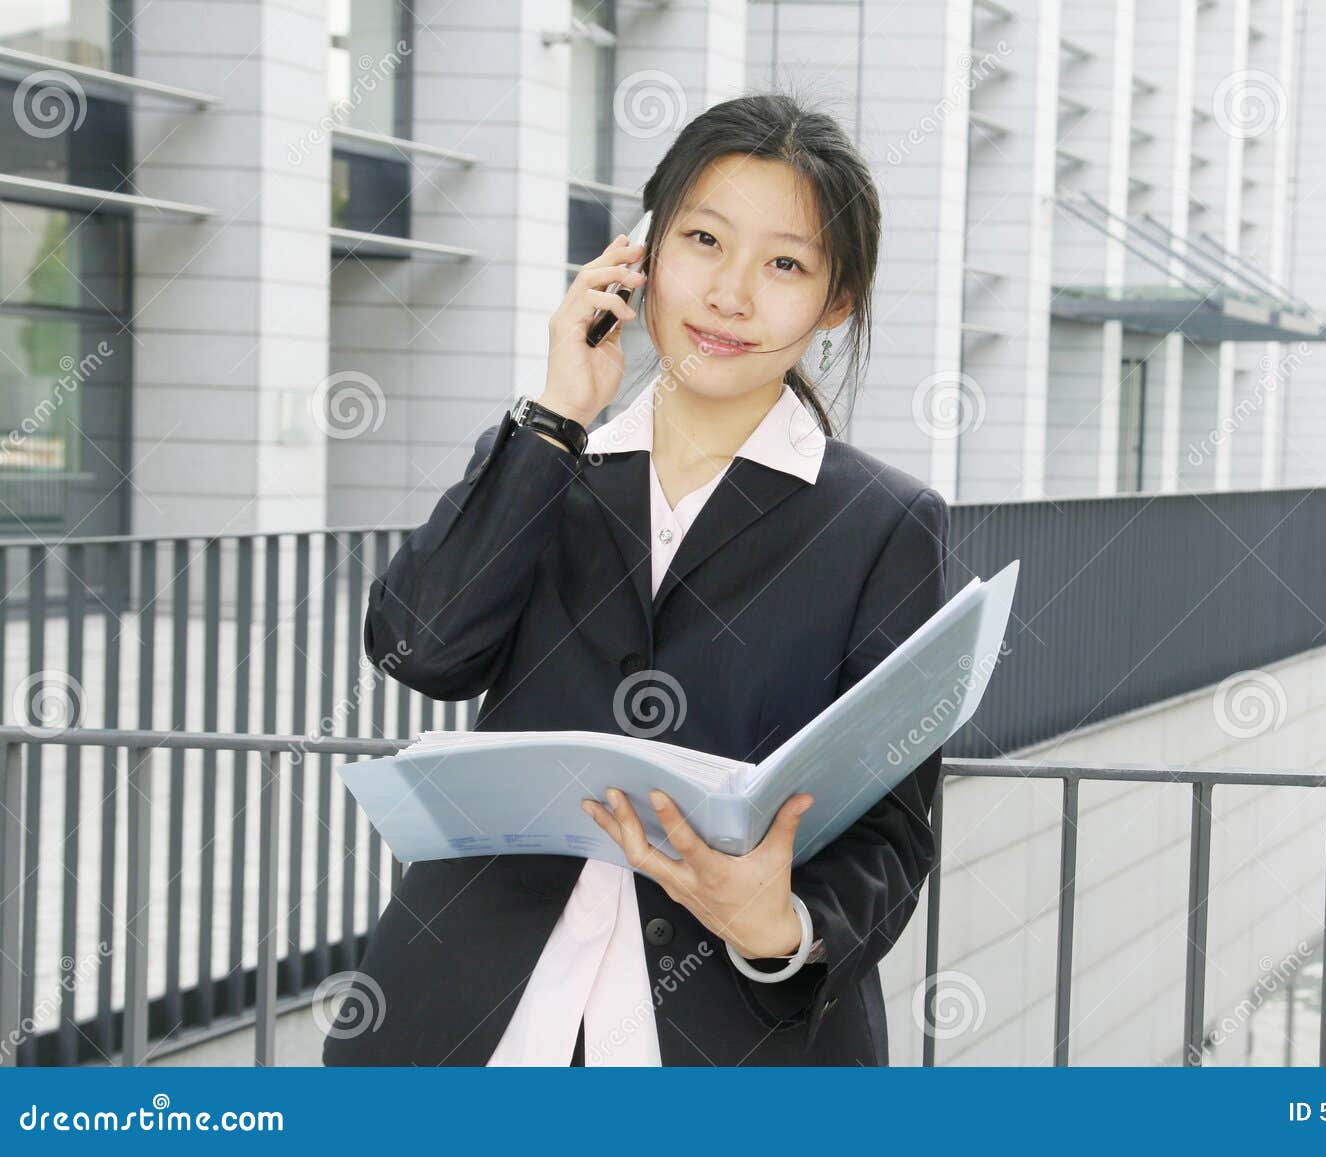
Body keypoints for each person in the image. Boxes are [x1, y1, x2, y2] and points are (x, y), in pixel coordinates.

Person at [321, 90, 950, 1067]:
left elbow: (893, 835)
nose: (730, 293)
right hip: (474, 1016)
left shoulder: (883, 521)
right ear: (642, 251)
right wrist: (552, 417)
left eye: (784, 262)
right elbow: (418, 648)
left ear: (837, 302)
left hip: (729, 1034)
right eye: (702, 239)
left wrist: (779, 921)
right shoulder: (549, 459)